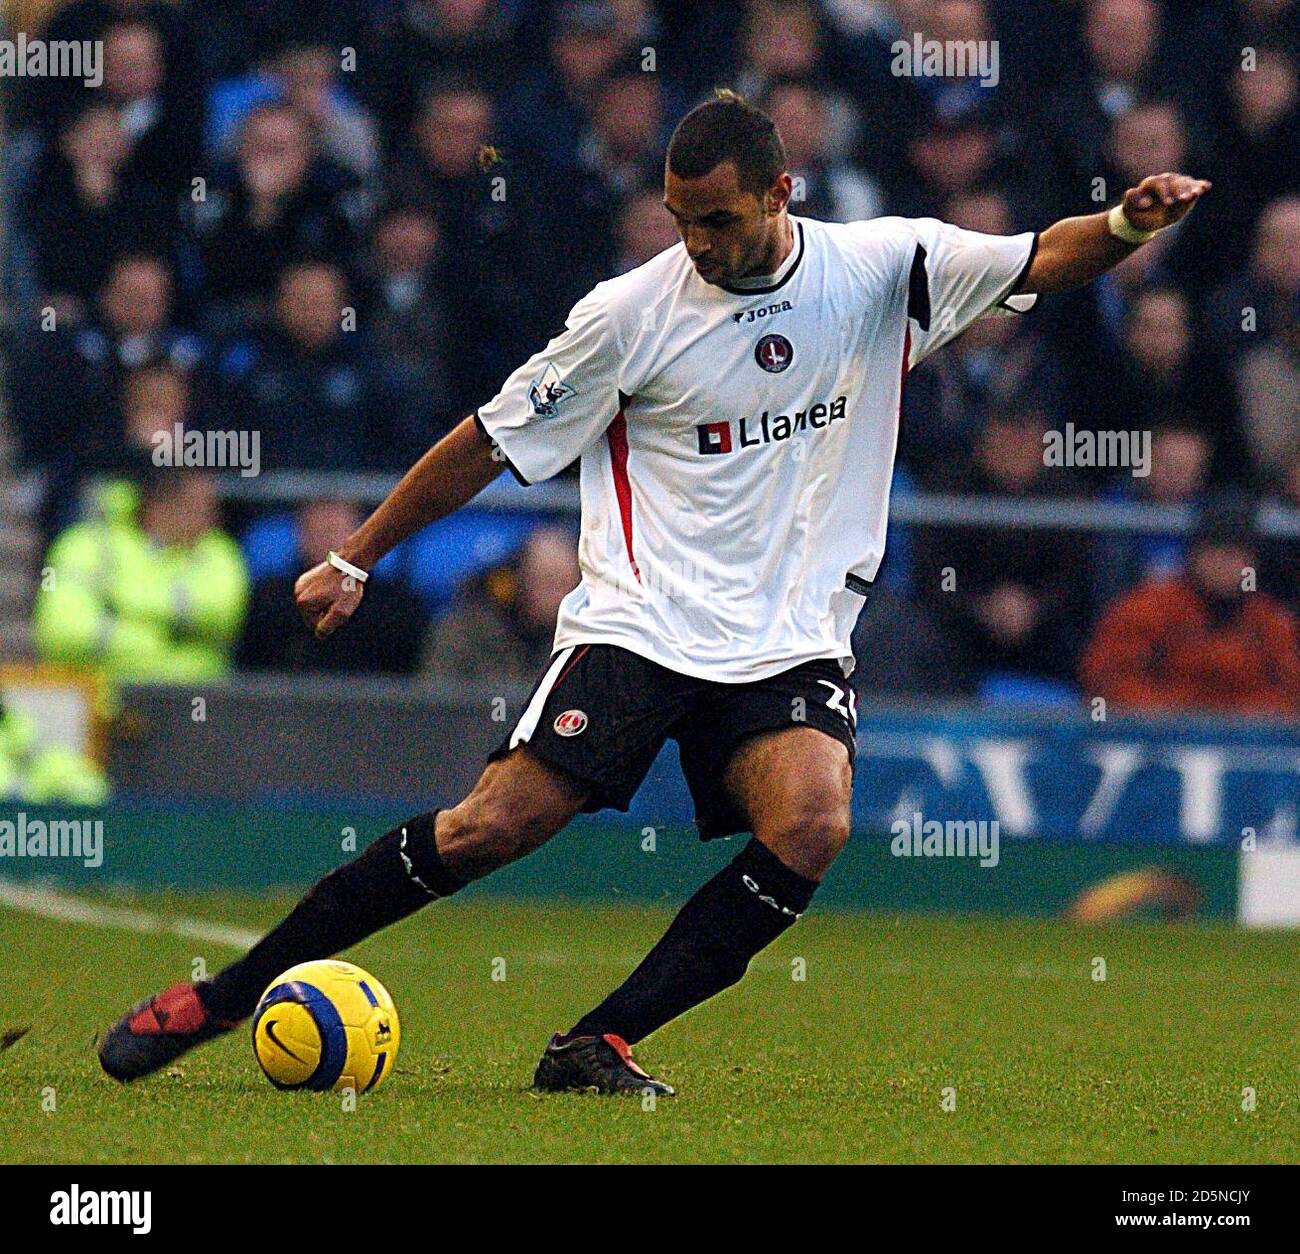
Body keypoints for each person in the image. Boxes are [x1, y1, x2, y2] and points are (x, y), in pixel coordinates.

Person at [98, 90, 1210, 1095]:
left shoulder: (885, 266)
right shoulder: (629, 314)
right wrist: (358, 555)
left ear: (781, 192)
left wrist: (1122, 227)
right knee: (493, 828)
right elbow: (488, 439)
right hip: (643, 621)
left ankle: (600, 1040)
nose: (696, 243)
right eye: (680, 220)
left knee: (813, 824)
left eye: (718, 220)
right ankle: (225, 995)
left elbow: (1034, 259)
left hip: (789, 634)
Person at [1080, 492, 1300, 716]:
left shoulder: (1271, 621)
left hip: (1248, 743)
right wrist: (1173, 713)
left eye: (1237, 555)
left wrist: (1240, 715)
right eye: (1217, 552)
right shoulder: (1148, 607)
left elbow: (1291, 693)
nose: (1227, 565)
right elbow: (1105, 678)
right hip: (1156, 737)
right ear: (1195, 555)